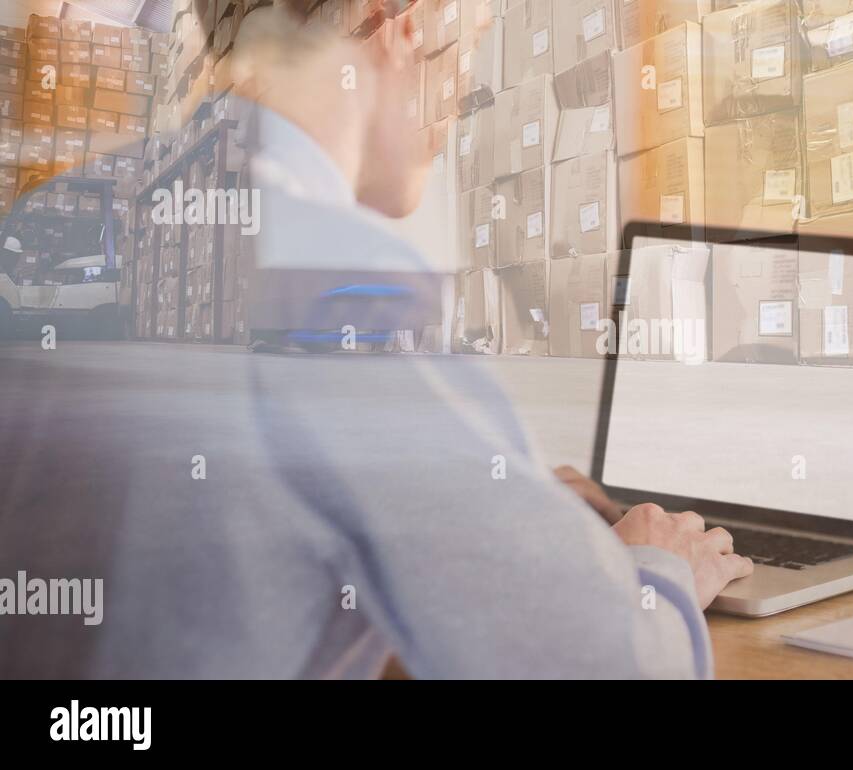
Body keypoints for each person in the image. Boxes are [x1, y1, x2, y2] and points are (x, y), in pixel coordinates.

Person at [0, 0, 750, 678]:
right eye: (475, 41)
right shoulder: (345, 289)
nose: (462, 94)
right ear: (407, 22)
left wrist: (504, 513)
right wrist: (658, 566)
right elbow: (616, 669)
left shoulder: (56, 225)